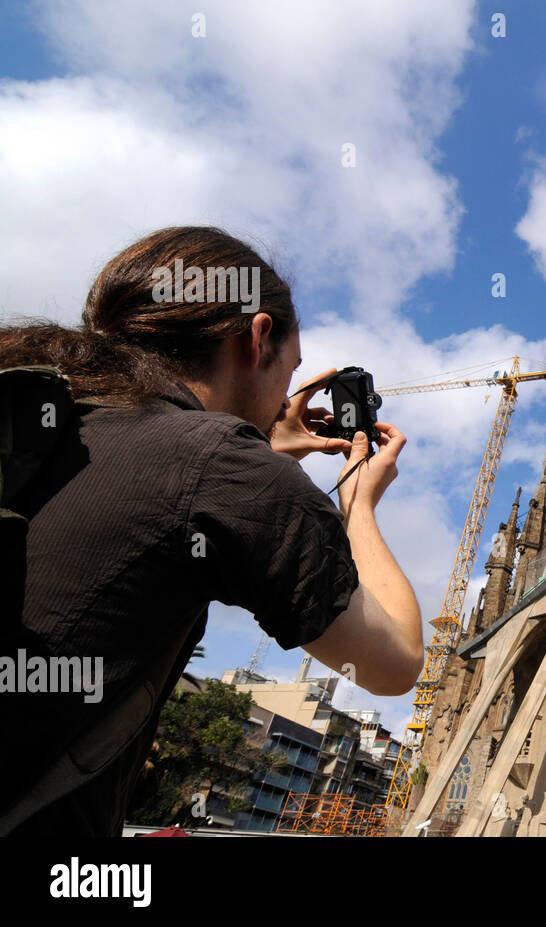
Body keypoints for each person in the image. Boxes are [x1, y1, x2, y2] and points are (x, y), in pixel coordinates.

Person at [0, 227, 424, 836]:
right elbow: (394, 663)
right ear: (256, 339)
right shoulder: (223, 465)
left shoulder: (42, 420)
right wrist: (358, 503)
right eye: (292, 371)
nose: (286, 396)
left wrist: (258, 458)